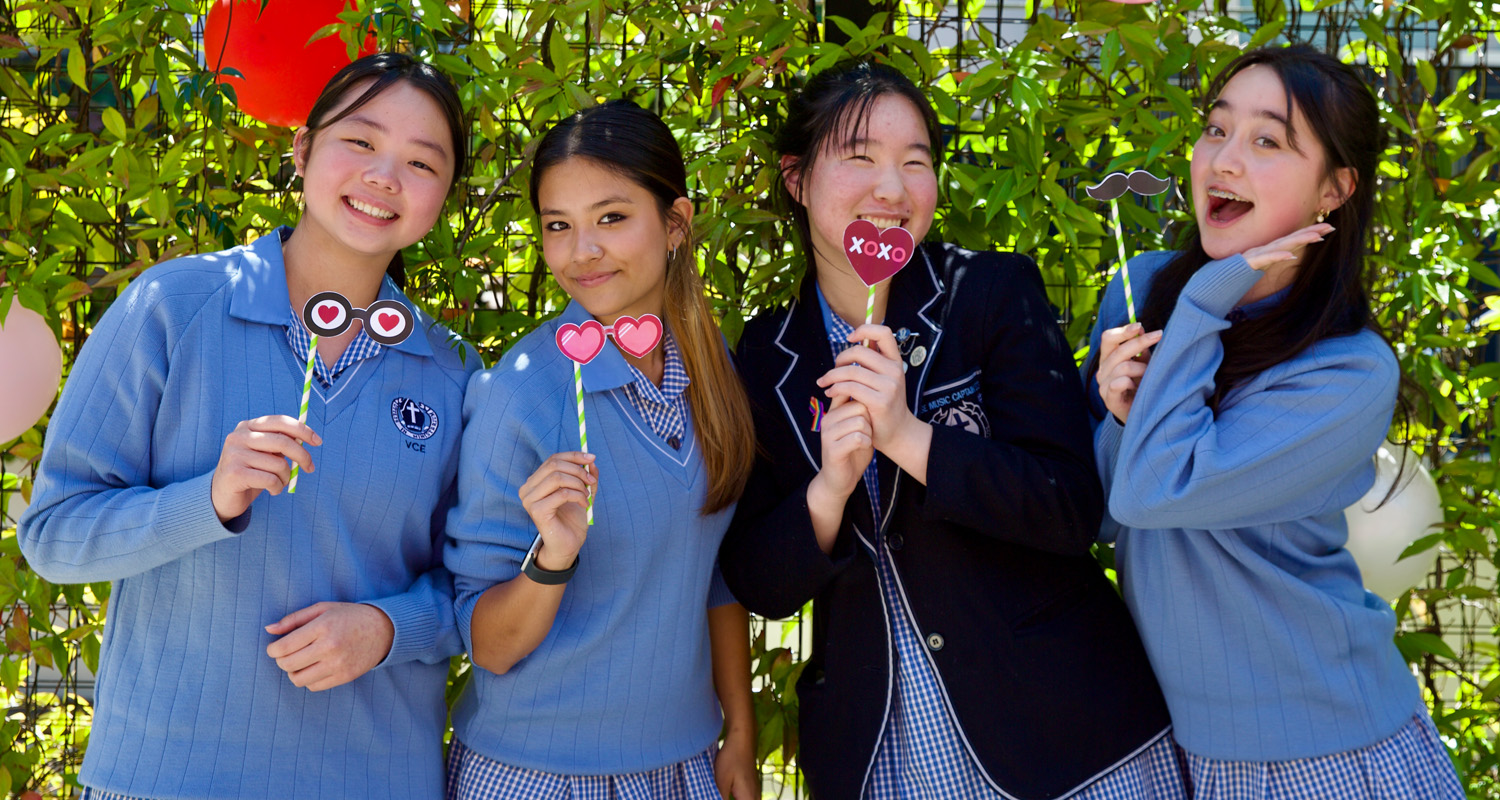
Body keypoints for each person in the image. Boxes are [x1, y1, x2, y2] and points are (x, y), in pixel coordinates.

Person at [18, 52, 477, 799]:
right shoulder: (172, 307)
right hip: (165, 778)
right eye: (359, 142)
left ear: (443, 198)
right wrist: (210, 499)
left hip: (374, 778)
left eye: (421, 163)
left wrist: (389, 629)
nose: (384, 175)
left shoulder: (453, 372)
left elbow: (477, 592)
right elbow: (53, 537)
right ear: (302, 150)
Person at [719, 59, 1178, 800]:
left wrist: (908, 437)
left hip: (1067, 733)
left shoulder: (990, 294)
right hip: (885, 753)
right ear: (797, 178)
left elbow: (1071, 506)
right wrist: (829, 491)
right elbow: (758, 582)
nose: (892, 189)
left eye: (916, 162)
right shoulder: (768, 352)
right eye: (860, 157)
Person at [1086, 44, 1465, 798]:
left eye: (1267, 141)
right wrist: (1122, 417)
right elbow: (1101, 515)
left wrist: (1208, 295)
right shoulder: (1138, 292)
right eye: (1216, 130)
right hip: (1174, 747)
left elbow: (1154, 494)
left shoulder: (1349, 373)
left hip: (1332, 751)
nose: (1224, 160)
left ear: (1336, 187)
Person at [443, 100, 760, 800]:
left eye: (611, 218)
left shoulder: (713, 374)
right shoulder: (522, 395)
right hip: (535, 775)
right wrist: (551, 560)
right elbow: (487, 645)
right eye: (559, 226)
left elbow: (716, 573)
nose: (582, 251)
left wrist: (740, 730)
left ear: (675, 224)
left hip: (684, 766)